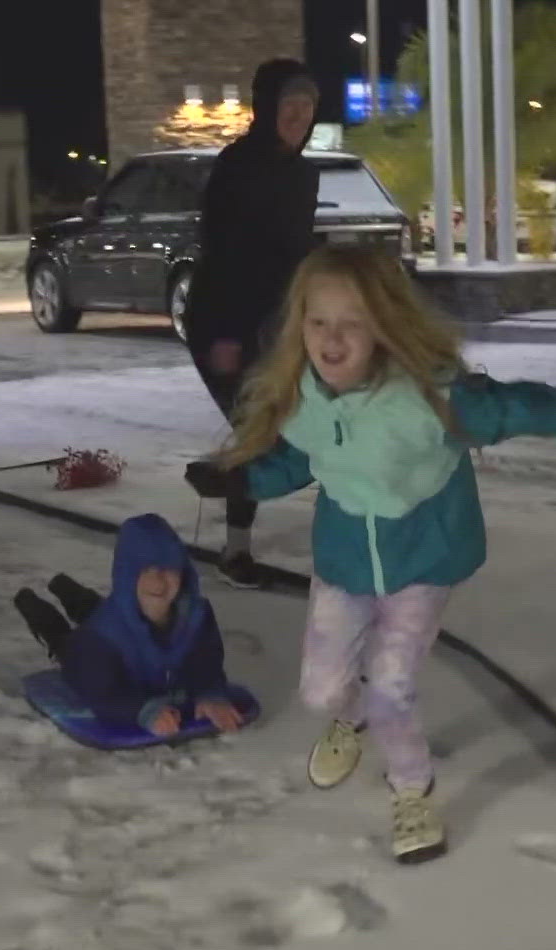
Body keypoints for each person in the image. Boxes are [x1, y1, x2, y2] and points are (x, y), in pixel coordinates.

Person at [183, 247, 556, 863]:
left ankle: (412, 790)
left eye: (352, 323)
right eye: (318, 323)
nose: (332, 340)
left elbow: (508, 406)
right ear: (299, 326)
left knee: (392, 687)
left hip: (422, 557)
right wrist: (239, 479)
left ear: (383, 324)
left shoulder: (426, 398)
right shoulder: (303, 397)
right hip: (345, 560)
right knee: (322, 691)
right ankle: (352, 719)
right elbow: (297, 459)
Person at [182, 57, 322, 589]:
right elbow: (225, 256)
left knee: (304, 419)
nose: (298, 115)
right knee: (257, 430)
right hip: (225, 319)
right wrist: (227, 335)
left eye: (307, 106)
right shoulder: (237, 168)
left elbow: (294, 252)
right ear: (267, 108)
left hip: (276, 320)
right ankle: (236, 549)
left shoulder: (302, 174)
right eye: (289, 104)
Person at [13, 514, 244, 737]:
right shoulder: (99, 636)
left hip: (118, 625)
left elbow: (206, 663)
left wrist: (209, 693)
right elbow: (101, 691)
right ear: (127, 575)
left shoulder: (198, 615)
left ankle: (66, 588)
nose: (157, 580)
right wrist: (140, 711)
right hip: (84, 656)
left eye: (167, 568)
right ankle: (30, 602)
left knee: (98, 609)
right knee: (66, 640)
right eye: (145, 570)